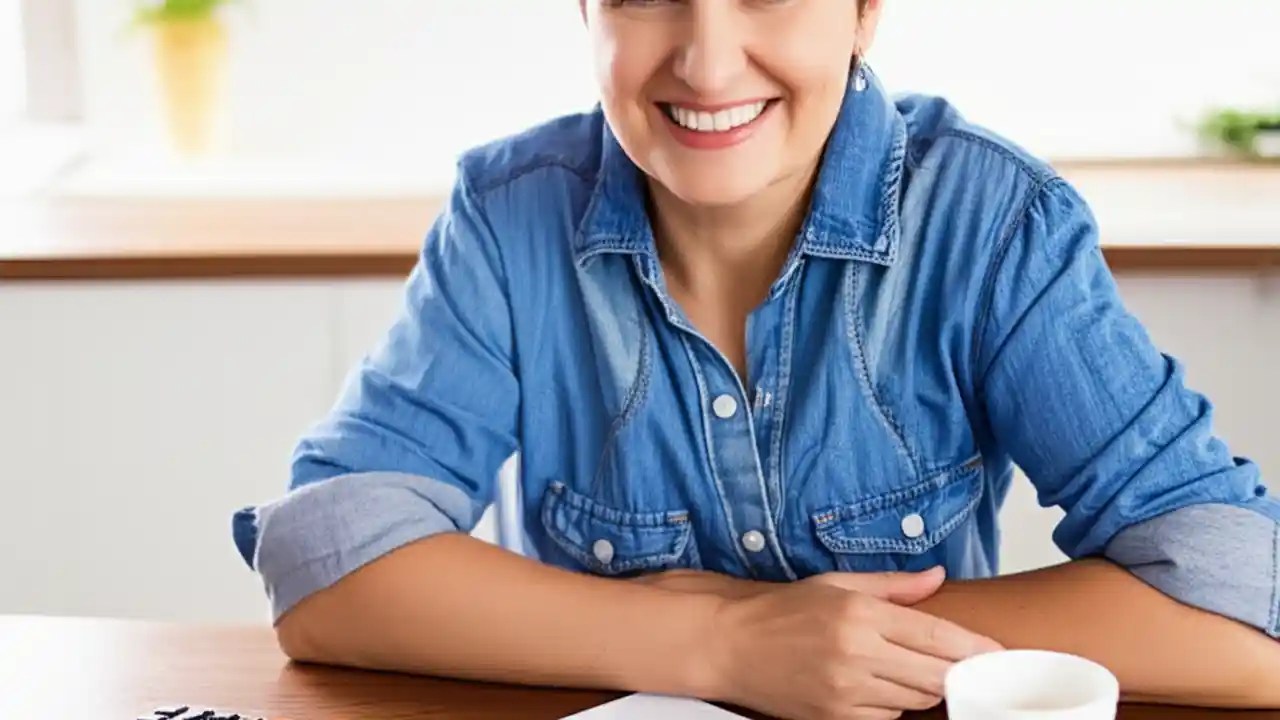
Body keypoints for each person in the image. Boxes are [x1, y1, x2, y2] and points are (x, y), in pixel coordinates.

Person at [233, 1, 1280, 718]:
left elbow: (1240, 608)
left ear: (864, 10)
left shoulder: (992, 223)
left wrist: (832, 646)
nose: (706, 61)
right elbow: (329, 562)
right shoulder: (506, 218)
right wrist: (727, 644)